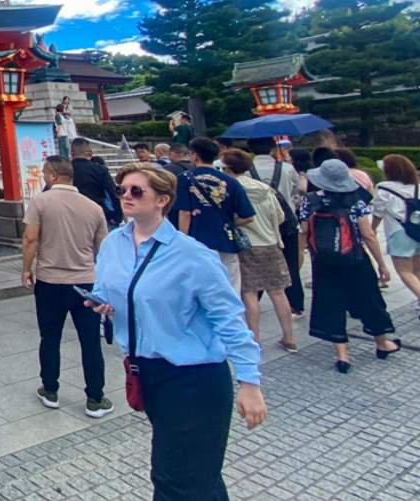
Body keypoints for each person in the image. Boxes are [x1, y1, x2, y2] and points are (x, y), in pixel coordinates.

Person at [89, 162, 266, 499]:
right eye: (122, 189)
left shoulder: (192, 255)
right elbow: (107, 285)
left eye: (136, 190)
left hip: (193, 378)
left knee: (173, 480)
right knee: (200, 475)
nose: (126, 196)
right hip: (145, 371)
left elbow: (228, 318)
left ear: (162, 200)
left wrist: (249, 381)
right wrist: (101, 301)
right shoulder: (114, 243)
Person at [21, 156, 111, 418]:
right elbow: (102, 249)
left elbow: (30, 239)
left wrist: (27, 269)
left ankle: (50, 389)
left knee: (50, 336)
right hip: (85, 280)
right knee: (90, 340)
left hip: (50, 280)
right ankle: (95, 397)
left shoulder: (41, 202)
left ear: (52, 176)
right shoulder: (94, 207)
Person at [302, 159, 399, 372]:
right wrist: (382, 264)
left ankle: (343, 356)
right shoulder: (355, 201)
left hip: (324, 262)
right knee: (369, 299)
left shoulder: (310, 201)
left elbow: (304, 232)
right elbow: (368, 235)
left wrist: (302, 259)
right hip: (355, 259)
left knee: (331, 302)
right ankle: (382, 344)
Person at [220, 150, 297, 352]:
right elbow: (280, 217)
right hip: (271, 243)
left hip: (246, 246)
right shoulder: (265, 188)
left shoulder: (230, 189)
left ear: (228, 168)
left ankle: (254, 339)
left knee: (249, 293)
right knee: (278, 292)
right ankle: (289, 337)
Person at [173, 137, 256, 294]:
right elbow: (248, 216)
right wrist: (229, 222)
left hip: (196, 240)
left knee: (200, 288)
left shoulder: (184, 179)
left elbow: (185, 213)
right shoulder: (230, 182)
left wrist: (182, 240)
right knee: (230, 287)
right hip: (226, 240)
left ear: (195, 156)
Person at [246, 137, 304, 318]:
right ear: (273, 148)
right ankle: (295, 303)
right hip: (286, 221)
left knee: (254, 266)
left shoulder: (246, 171)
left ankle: (254, 301)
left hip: (257, 224)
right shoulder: (287, 169)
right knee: (290, 264)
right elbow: (297, 190)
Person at [372, 154, 420, 318]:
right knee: (417, 270)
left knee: (405, 272)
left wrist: (372, 229)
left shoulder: (384, 187)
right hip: (417, 231)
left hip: (399, 232)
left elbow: (378, 211)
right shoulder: (416, 186)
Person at [70, 138, 121, 226]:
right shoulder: (100, 170)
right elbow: (113, 193)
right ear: (90, 153)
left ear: (72, 153)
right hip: (98, 212)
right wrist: (117, 216)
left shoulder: (65, 170)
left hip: (71, 215)